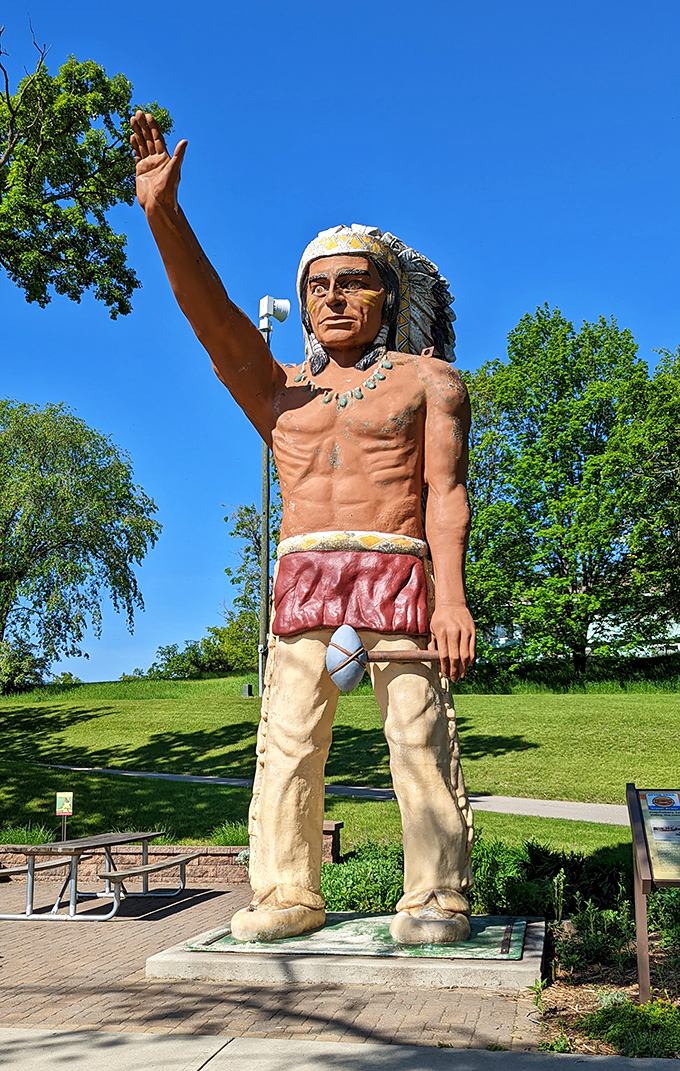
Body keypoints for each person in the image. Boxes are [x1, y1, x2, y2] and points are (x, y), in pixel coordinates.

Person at [131, 111, 477, 944]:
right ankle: (287, 888)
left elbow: (445, 493)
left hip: (397, 567)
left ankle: (436, 894)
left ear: (387, 293)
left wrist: (453, 598)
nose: (332, 297)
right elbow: (213, 322)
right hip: (305, 572)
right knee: (286, 740)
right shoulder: (278, 388)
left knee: (417, 736)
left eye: (352, 282)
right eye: (319, 285)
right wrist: (163, 216)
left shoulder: (430, 381)